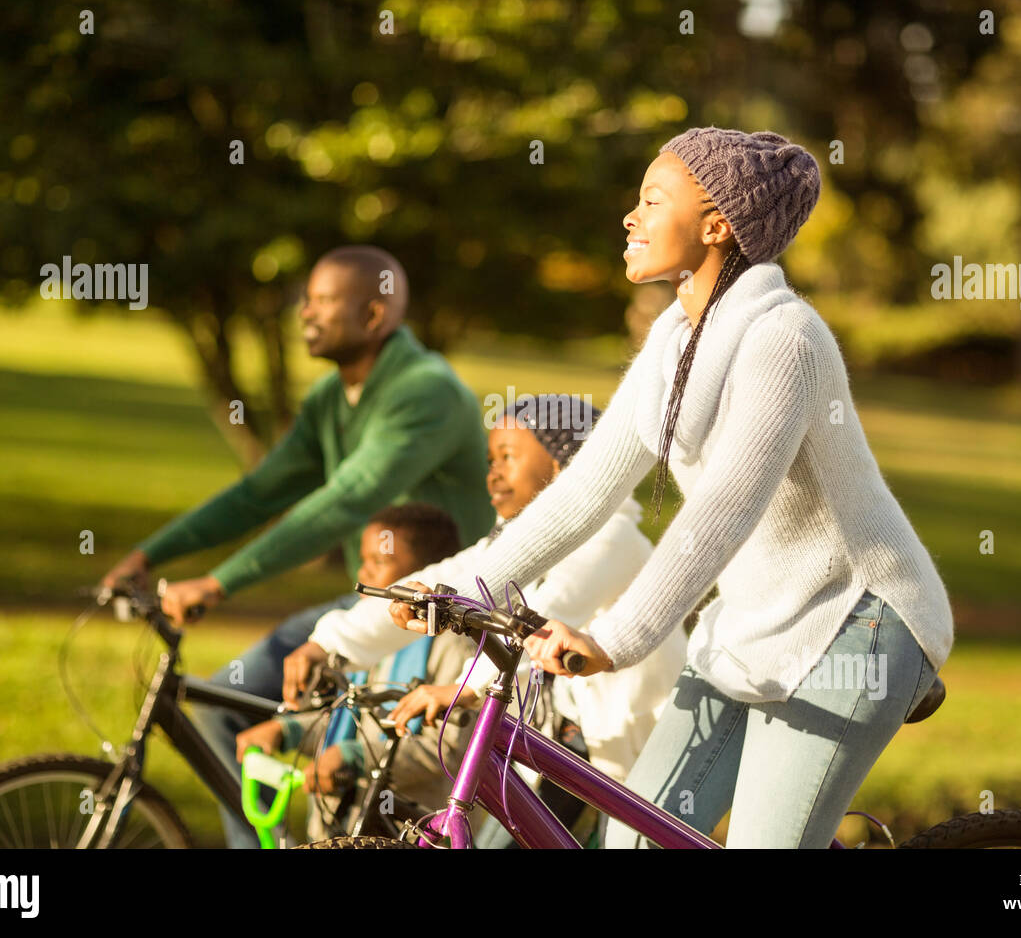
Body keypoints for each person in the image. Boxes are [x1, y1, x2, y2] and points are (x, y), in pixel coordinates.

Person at [389, 128, 956, 849]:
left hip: (859, 622)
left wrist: (613, 639)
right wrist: (455, 587)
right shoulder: (670, 342)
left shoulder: (785, 339)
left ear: (717, 224)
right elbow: (581, 493)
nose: (630, 216)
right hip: (755, 624)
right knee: (633, 839)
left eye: (652, 199)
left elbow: (724, 510)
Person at [98, 245, 494, 848]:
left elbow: (346, 499)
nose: (305, 312)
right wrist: (150, 554)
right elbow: (260, 493)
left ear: (373, 315)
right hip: (374, 597)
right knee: (224, 703)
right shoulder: (332, 400)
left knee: (367, 745)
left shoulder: (425, 391)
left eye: (325, 300)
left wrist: (218, 583)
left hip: (439, 616)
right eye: (305, 298)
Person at [288, 396, 686, 844]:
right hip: (547, 751)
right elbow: (443, 578)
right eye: (490, 459)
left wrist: (465, 688)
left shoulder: (611, 536)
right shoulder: (512, 541)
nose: (492, 472)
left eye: (509, 457)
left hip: (616, 752)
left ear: (565, 467)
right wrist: (329, 644)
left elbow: (550, 610)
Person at [233, 504, 482, 841]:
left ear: (426, 575)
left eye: (380, 563)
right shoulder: (363, 642)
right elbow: (347, 714)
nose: (365, 575)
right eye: (363, 561)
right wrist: (287, 730)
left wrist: (354, 758)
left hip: (413, 830)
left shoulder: (453, 648)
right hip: (344, 825)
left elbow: (448, 752)